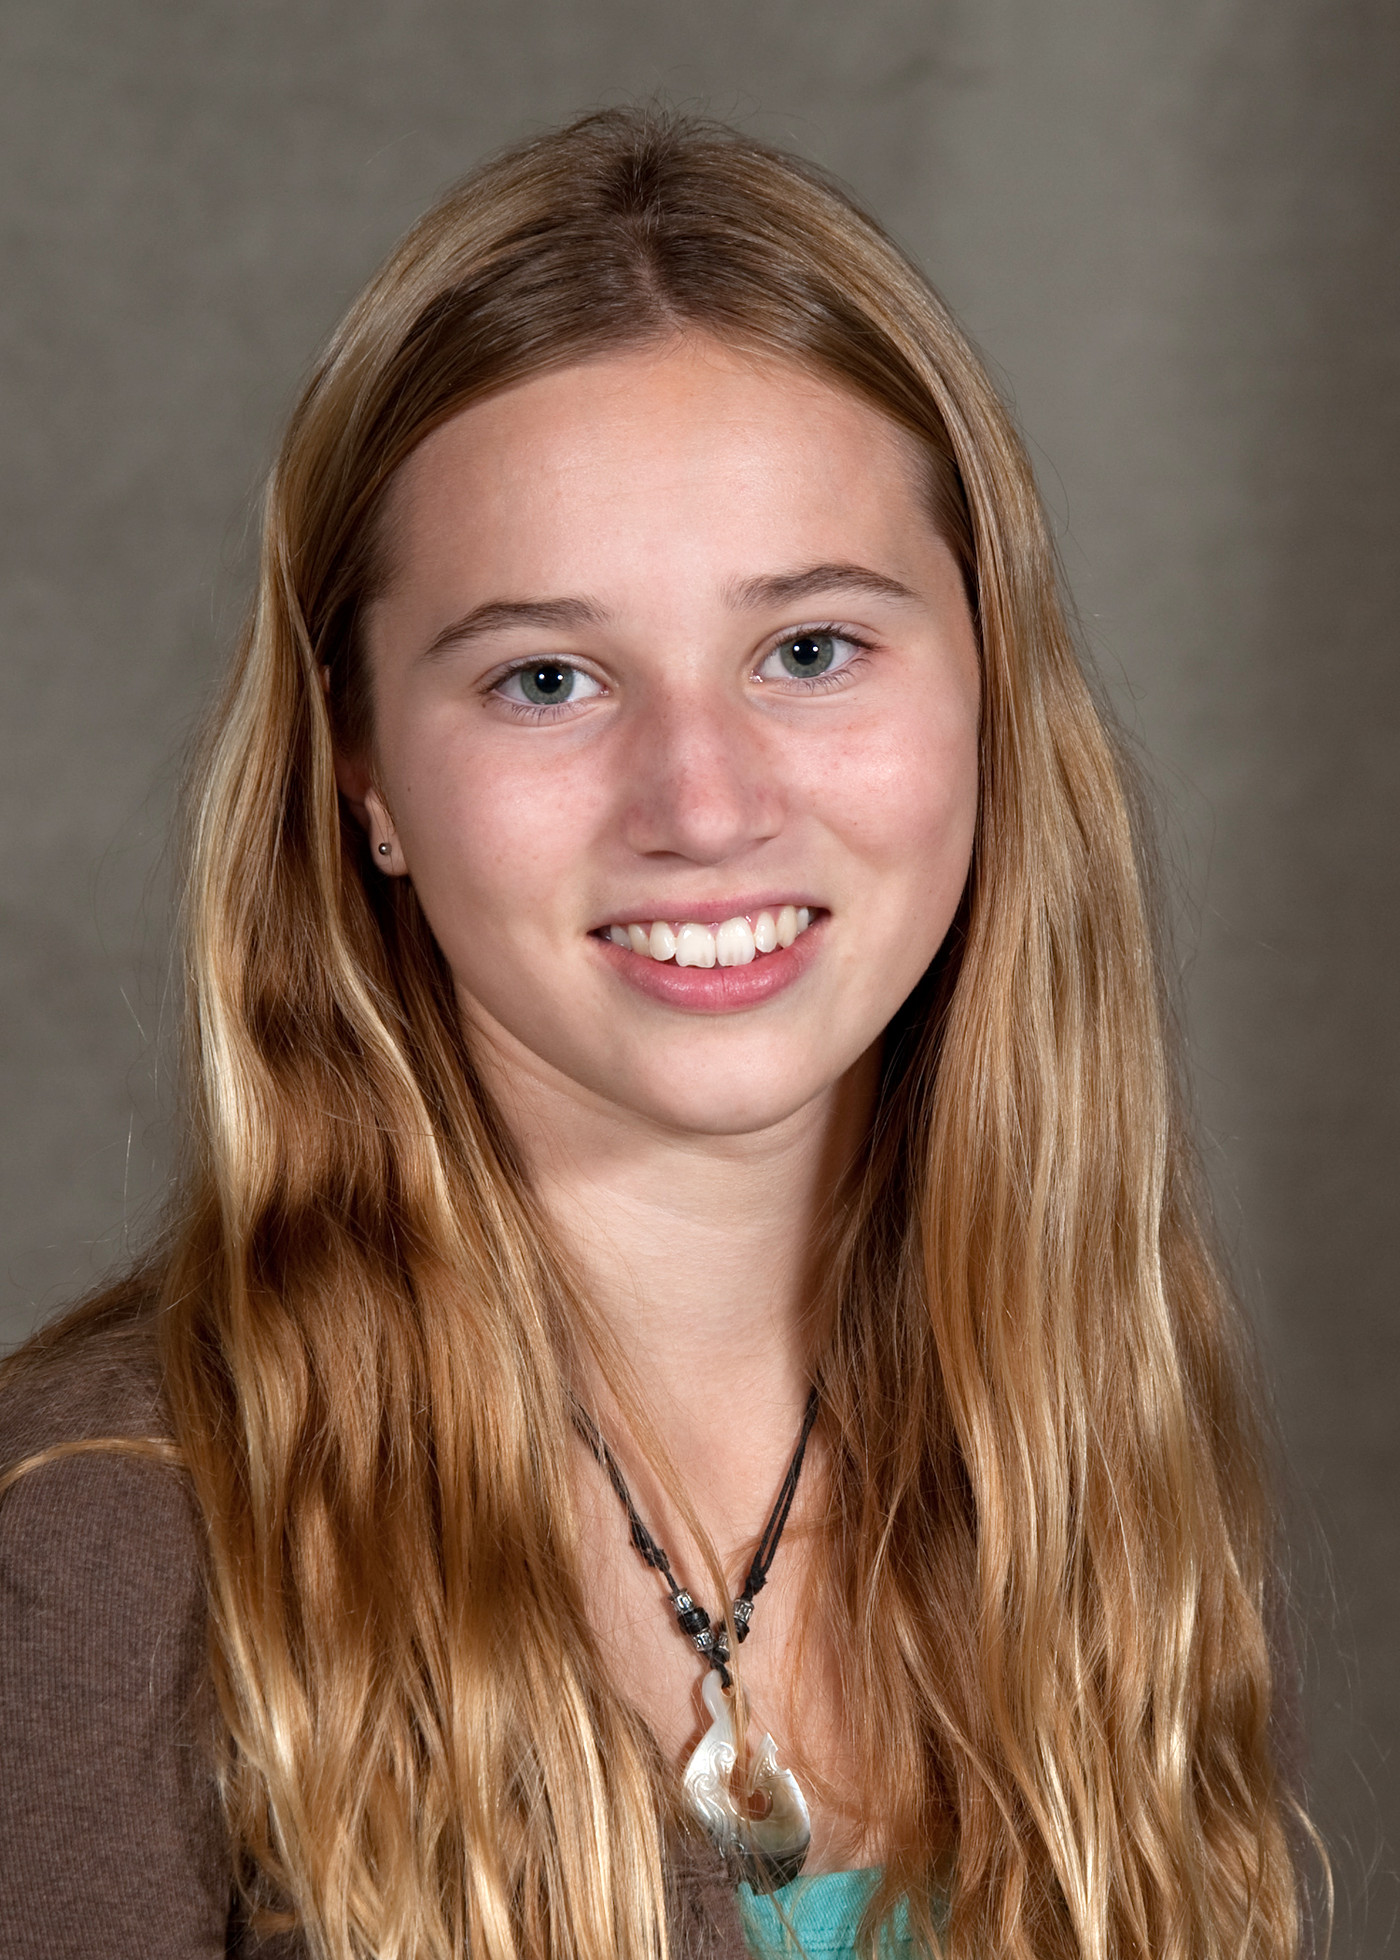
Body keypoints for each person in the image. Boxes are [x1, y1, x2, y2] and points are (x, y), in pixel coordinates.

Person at [0, 108, 1319, 1960]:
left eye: (811, 651)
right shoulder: (95, 1560)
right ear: (360, 766)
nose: (702, 802)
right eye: (548, 678)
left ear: (991, 687)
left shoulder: (1070, 1441)